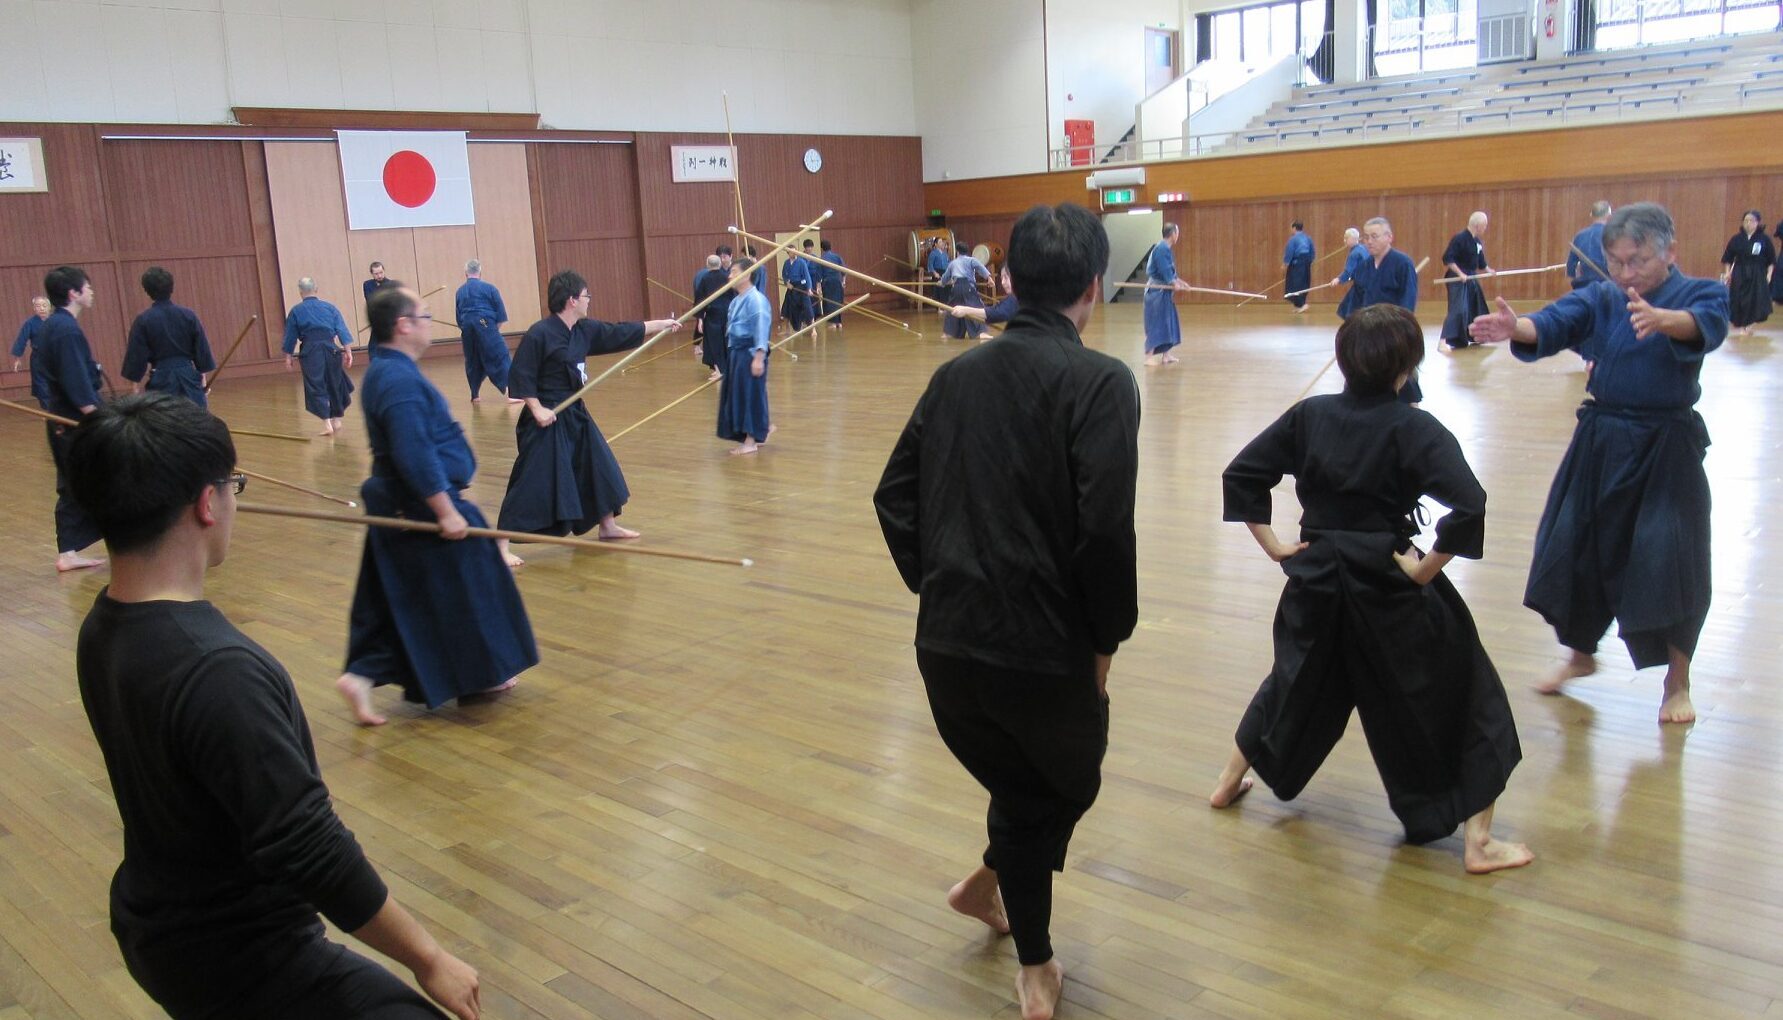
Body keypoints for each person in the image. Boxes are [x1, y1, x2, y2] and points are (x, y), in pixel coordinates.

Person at [66, 392, 483, 1020]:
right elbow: (309, 847)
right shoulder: (219, 671)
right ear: (207, 504)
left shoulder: (103, 626)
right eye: (231, 485)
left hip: (155, 925)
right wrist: (429, 959)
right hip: (243, 956)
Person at [874, 202, 1138, 1020]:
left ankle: (985, 885)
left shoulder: (956, 375)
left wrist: (942, 585)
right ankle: (1035, 963)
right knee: (1062, 783)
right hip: (1042, 650)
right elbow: (1102, 529)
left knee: (1028, 787)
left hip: (947, 653)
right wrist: (1105, 642)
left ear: (1009, 280)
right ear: (1094, 286)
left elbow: (893, 497)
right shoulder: (1101, 382)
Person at [1209, 304, 1532, 875]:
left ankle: (1226, 782)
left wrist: (1277, 547)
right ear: (1406, 370)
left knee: (1294, 679)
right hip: (1385, 582)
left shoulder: (1310, 416)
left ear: (1343, 362)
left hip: (1316, 577)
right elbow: (1471, 502)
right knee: (1467, 688)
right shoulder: (1415, 427)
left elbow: (1242, 473)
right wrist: (1424, 571)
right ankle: (1479, 843)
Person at [1468, 202, 1728, 724]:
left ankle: (1677, 682)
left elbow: (1705, 325)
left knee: (1672, 560)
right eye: (1616, 262)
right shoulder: (1603, 296)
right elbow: (1557, 322)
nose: (1626, 273)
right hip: (1602, 438)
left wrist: (1664, 320)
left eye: (1637, 261)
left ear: (1670, 252)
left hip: (1664, 445)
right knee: (1573, 547)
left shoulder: (1702, 291)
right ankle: (1580, 656)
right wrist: (1517, 327)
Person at [335, 286, 539, 726]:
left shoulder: (391, 372)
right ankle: (478, 674)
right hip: (417, 504)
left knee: (394, 591)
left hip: (403, 502)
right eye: (425, 316)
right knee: (468, 583)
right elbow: (413, 450)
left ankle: (362, 673)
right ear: (404, 324)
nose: (431, 323)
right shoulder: (397, 379)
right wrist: (445, 509)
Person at [497, 271, 681, 550]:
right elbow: (522, 375)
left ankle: (607, 526)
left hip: (574, 412)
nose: (589, 301)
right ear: (572, 300)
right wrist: (537, 409)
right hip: (546, 417)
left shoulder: (584, 330)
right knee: (532, 479)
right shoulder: (540, 333)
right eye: (586, 296)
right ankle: (500, 545)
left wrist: (664, 325)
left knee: (598, 465)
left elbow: (620, 331)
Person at [36, 266, 107, 572]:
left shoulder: (54, 326)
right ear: (73, 293)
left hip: (63, 419)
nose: (91, 292)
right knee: (83, 481)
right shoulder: (65, 330)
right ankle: (71, 552)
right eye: (87, 288)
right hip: (73, 421)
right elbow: (76, 382)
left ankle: (71, 550)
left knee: (78, 482)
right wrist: (100, 416)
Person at [1349, 217, 1422, 405]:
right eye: (1366, 237)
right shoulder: (1364, 267)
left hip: (1395, 332)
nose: (1369, 241)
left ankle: (1411, 411)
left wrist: (1399, 331)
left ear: (1389, 237)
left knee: (1403, 379)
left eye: (1374, 236)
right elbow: (1357, 300)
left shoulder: (1403, 263)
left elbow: (1408, 302)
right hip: (1370, 332)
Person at [121, 266, 215, 407]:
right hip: (188, 377)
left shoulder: (144, 320)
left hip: (161, 380)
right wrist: (202, 380)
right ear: (171, 288)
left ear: (147, 291)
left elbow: (136, 356)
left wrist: (134, 388)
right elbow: (201, 350)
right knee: (197, 422)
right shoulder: (188, 315)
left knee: (164, 422)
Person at [281, 277, 355, 436]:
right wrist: (348, 351)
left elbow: (290, 337)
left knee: (316, 384)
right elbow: (341, 329)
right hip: (331, 349)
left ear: (300, 292)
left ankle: (327, 423)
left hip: (310, 351)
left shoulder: (296, 311)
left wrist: (288, 356)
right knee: (335, 382)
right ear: (316, 289)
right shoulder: (330, 308)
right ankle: (336, 419)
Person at [716, 258, 775, 456]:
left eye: (733, 271)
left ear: (747, 274)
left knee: (750, 396)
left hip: (750, 353)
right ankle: (761, 430)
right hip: (736, 354)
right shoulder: (736, 300)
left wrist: (758, 357)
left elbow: (761, 329)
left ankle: (751, 441)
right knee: (740, 396)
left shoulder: (756, 300)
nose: (729, 276)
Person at [454, 258, 515, 401]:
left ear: (465, 273)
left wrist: (467, 327)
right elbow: (500, 315)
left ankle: (475, 394)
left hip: (467, 327)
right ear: (480, 273)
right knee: (499, 355)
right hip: (485, 323)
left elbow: (459, 318)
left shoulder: (459, 292)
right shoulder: (490, 288)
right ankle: (511, 392)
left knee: (473, 358)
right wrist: (492, 331)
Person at [1440, 211, 1491, 350]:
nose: (1485, 228)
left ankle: (1475, 335)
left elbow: (1481, 262)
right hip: (1456, 278)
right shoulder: (1460, 238)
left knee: (1477, 305)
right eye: (1484, 225)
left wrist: (1488, 270)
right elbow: (1448, 258)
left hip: (1471, 277)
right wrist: (1460, 273)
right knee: (1459, 309)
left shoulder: (1477, 242)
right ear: (1478, 225)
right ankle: (1443, 341)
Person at [1720, 210, 1774, 337]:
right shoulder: (1736, 239)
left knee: (1754, 300)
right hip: (1740, 271)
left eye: (1751, 221)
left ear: (1757, 223)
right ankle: (1741, 323)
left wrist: (1769, 275)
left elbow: (1771, 260)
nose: (1748, 223)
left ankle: (1748, 325)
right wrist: (1728, 273)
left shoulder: (1764, 239)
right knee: (1739, 298)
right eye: (1746, 221)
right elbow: (1728, 258)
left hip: (1758, 273)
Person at [1143, 223, 1191, 366]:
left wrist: (1181, 283)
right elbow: (1165, 272)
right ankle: (1149, 357)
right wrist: (1173, 284)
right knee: (1156, 323)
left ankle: (1166, 355)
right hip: (1156, 293)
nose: (1178, 236)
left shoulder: (1166, 249)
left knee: (1168, 322)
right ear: (1173, 234)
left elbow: (1171, 273)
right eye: (1177, 233)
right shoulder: (1161, 249)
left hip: (1163, 292)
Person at [694, 250, 735, 382]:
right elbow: (733, 296)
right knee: (726, 342)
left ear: (707, 264)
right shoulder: (727, 277)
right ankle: (727, 369)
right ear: (719, 263)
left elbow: (700, 300)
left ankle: (719, 371)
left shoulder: (704, 279)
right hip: (727, 314)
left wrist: (700, 319)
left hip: (713, 316)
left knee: (715, 343)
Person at [950, 266, 1019, 340]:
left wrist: (966, 310)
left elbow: (999, 312)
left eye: (1006, 277)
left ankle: (980, 332)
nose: (1002, 282)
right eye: (1002, 278)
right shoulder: (1015, 297)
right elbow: (998, 309)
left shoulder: (1019, 297)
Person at [939, 242, 991, 339]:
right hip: (968, 287)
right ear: (967, 252)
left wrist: (941, 283)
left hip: (956, 287)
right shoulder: (971, 260)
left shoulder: (953, 263)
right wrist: (989, 278)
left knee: (952, 308)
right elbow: (981, 268)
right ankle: (981, 332)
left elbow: (946, 277)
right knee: (975, 307)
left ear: (957, 252)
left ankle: (947, 334)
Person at [10, 295, 52, 408]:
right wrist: (17, 358)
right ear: (34, 308)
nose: (42, 308)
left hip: (56, 357)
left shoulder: (56, 321)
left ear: (49, 307)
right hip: (38, 358)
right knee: (41, 385)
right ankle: (48, 410)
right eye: (38, 306)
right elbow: (21, 339)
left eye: (44, 305)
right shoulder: (30, 323)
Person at [1567, 201, 1612, 290]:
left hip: (1584, 286)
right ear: (1608, 215)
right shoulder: (1612, 234)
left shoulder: (1580, 236)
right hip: (1608, 285)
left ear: (1592, 215)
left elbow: (1571, 267)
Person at [1331, 227, 1366, 319]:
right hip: (1366, 284)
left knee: (1346, 310)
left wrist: (1338, 279)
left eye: (1346, 238)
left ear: (1354, 239)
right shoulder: (1363, 249)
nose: (1344, 240)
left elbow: (1348, 271)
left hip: (1361, 286)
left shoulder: (1354, 253)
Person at [780, 248, 816, 334]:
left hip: (802, 287)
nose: (794, 253)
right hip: (792, 287)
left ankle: (813, 329)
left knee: (808, 308)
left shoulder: (801, 262)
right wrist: (786, 283)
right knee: (786, 309)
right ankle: (787, 330)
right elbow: (784, 275)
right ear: (788, 253)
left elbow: (807, 276)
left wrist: (809, 289)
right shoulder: (786, 263)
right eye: (792, 252)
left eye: (795, 251)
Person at [1283, 220, 1314, 312]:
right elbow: (1312, 251)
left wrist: (1286, 263)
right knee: (1304, 282)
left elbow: (1289, 252)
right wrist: (1310, 261)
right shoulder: (1308, 238)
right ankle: (1298, 305)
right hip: (1306, 262)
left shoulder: (1293, 239)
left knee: (1296, 283)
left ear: (1294, 228)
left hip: (1297, 263)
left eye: (1291, 228)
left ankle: (1302, 304)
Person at [819, 238, 847, 327]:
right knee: (837, 301)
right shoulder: (837, 256)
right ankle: (839, 322)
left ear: (822, 248)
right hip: (838, 281)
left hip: (827, 282)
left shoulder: (822, 258)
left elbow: (819, 274)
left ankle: (833, 323)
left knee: (829, 302)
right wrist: (843, 282)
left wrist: (818, 286)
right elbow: (844, 271)